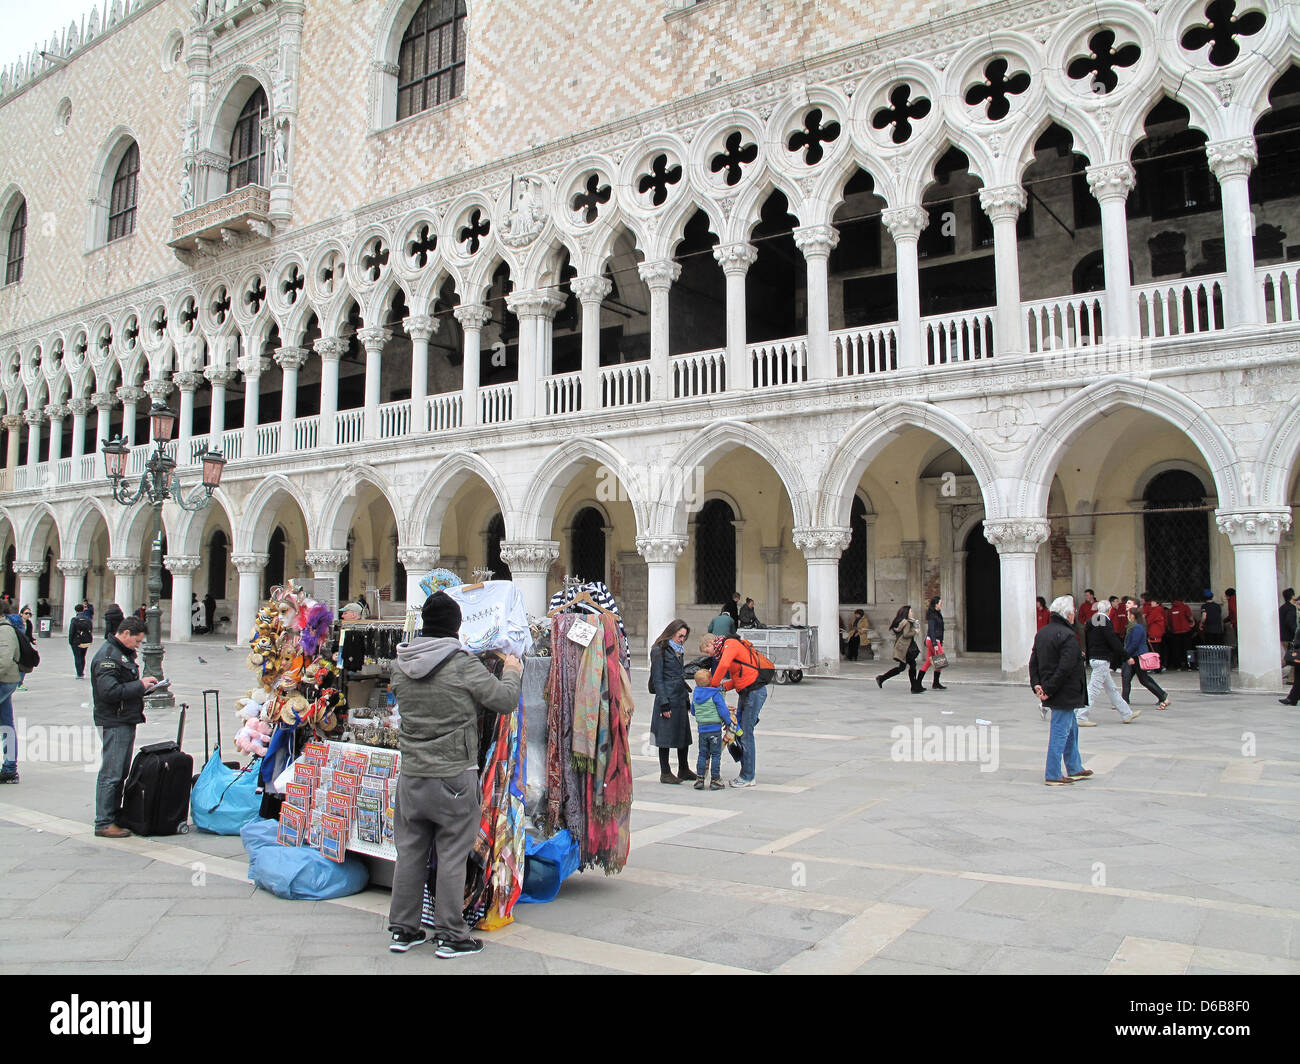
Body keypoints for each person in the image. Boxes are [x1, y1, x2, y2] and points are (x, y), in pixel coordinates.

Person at [386, 591, 522, 958]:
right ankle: (450, 934)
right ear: (455, 626)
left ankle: (403, 929)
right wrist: (511, 670)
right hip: (452, 774)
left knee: (410, 851)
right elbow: (503, 700)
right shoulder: (460, 662)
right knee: (451, 853)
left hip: (412, 774)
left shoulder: (400, 663)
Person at [91, 616, 160, 838]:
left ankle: (113, 814)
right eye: (137, 641)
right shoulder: (109, 657)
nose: (139, 646)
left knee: (120, 770)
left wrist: (142, 687)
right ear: (126, 634)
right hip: (114, 720)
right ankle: (104, 821)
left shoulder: (120, 654)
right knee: (112, 772)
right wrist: (138, 685)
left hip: (124, 718)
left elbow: (121, 686)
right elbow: (108, 692)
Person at [1029, 595, 1091, 786]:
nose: (1074, 615)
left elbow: (1034, 662)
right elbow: (1065, 667)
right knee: (1060, 732)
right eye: (1073, 612)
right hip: (1064, 691)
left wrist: (1037, 684)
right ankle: (1053, 773)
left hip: (1054, 688)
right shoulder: (1068, 636)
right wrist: (1047, 689)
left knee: (1071, 730)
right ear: (1068, 615)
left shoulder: (1043, 633)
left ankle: (1074, 766)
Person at [709, 634, 773, 788]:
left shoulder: (730, 644)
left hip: (753, 693)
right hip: (748, 692)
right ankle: (746, 771)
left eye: (706, 649)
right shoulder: (731, 647)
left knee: (745, 733)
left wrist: (712, 686)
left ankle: (748, 776)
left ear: (712, 642)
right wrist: (722, 687)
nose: (708, 654)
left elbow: (723, 666)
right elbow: (740, 678)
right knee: (740, 732)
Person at [649, 620, 696, 785]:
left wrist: (686, 698)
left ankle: (683, 768)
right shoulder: (659, 651)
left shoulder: (678, 650)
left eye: (684, 636)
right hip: (667, 698)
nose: (682, 639)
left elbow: (679, 675)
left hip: (679, 697)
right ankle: (665, 772)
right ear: (672, 633)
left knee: (683, 734)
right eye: (680, 635)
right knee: (665, 737)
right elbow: (658, 679)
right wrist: (664, 703)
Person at [1078, 599, 1137, 726]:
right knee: (1093, 689)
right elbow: (1113, 641)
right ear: (1109, 610)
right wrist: (1126, 657)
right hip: (1102, 659)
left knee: (1111, 689)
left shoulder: (1091, 621)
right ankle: (1081, 716)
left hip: (1094, 657)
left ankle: (1127, 713)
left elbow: (1087, 640)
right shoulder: (1105, 621)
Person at [689, 668, 733, 791]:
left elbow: (693, 711)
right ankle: (715, 780)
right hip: (714, 729)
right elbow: (723, 710)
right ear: (710, 680)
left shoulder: (696, 695)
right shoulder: (715, 694)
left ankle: (700, 778)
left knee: (703, 754)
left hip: (702, 730)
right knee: (716, 754)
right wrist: (728, 722)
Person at [1122, 605, 1171, 711]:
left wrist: (1125, 654)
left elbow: (1134, 644)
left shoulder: (1137, 627)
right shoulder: (1132, 626)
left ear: (1133, 616)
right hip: (1133, 656)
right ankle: (1124, 700)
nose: (1127, 616)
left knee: (1144, 679)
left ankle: (1162, 695)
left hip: (1137, 657)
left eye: (1128, 614)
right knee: (1126, 678)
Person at [876, 605, 922, 693]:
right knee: (912, 665)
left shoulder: (901, 622)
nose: (912, 613)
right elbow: (906, 634)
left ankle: (882, 678)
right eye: (911, 611)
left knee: (902, 667)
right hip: (906, 648)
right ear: (907, 613)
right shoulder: (907, 623)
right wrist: (915, 631)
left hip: (902, 648)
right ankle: (914, 687)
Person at [0, 613, 23, 783]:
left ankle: (10, 768)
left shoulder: (4, 630)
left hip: (3, 680)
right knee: (6, 724)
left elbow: (5, 661)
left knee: (6, 724)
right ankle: (9, 768)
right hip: (4, 681)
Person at [916, 596, 946, 691]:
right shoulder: (932, 615)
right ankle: (934, 683)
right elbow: (932, 630)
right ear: (936, 604)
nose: (941, 605)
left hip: (936, 640)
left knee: (929, 662)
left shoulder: (937, 613)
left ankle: (924, 683)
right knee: (940, 661)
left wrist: (940, 641)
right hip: (932, 640)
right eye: (940, 603)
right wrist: (935, 644)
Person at [1167, 594, 1194, 672]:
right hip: (1185, 630)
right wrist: (1192, 622)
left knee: (1176, 649)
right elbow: (1190, 617)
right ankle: (1189, 665)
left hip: (1175, 632)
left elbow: (1169, 622)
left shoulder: (1171, 610)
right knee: (1188, 649)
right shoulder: (1185, 607)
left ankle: (1178, 666)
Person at [67, 603, 94, 679]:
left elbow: (71, 631)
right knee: (83, 656)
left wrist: (70, 641)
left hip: (76, 641)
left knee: (77, 657)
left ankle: (79, 673)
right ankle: (81, 672)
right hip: (86, 640)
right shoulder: (88, 619)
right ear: (83, 609)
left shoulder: (75, 619)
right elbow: (90, 629)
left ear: (76, 610)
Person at [1142, 593, 1166, 670]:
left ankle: (1157, 667)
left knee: (1154, 651)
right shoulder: (1158, 610)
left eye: (1153, 602)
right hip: (1157, 632)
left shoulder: (1156, 611)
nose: (1151, 603)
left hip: (1154, 632)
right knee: (1156, 650)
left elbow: (1148, 621)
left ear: (1157, 603)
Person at [1280, 589, 1297, 685]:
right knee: (1294, 658)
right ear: (1292, 596)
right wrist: (1296, 633)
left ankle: (1291, 678)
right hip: (1289, 637)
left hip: (1283, 636)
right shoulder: (1291, 608)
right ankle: (1291, 679)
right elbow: (1290, 622)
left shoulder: (1282, 608)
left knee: (1289, 658)